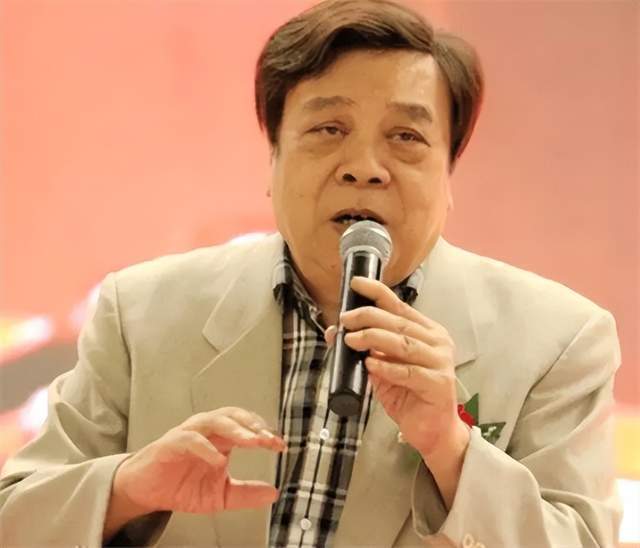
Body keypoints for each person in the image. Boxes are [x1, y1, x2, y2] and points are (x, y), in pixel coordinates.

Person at [0, 0, 622, 546]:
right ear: (272, 160)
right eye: (329, 129)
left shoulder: (559, 341)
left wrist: (452, 451)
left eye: (406, 136)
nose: (364, 167)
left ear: (449, 177)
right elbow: (14, 518)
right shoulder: (138, 311)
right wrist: (126, 490)